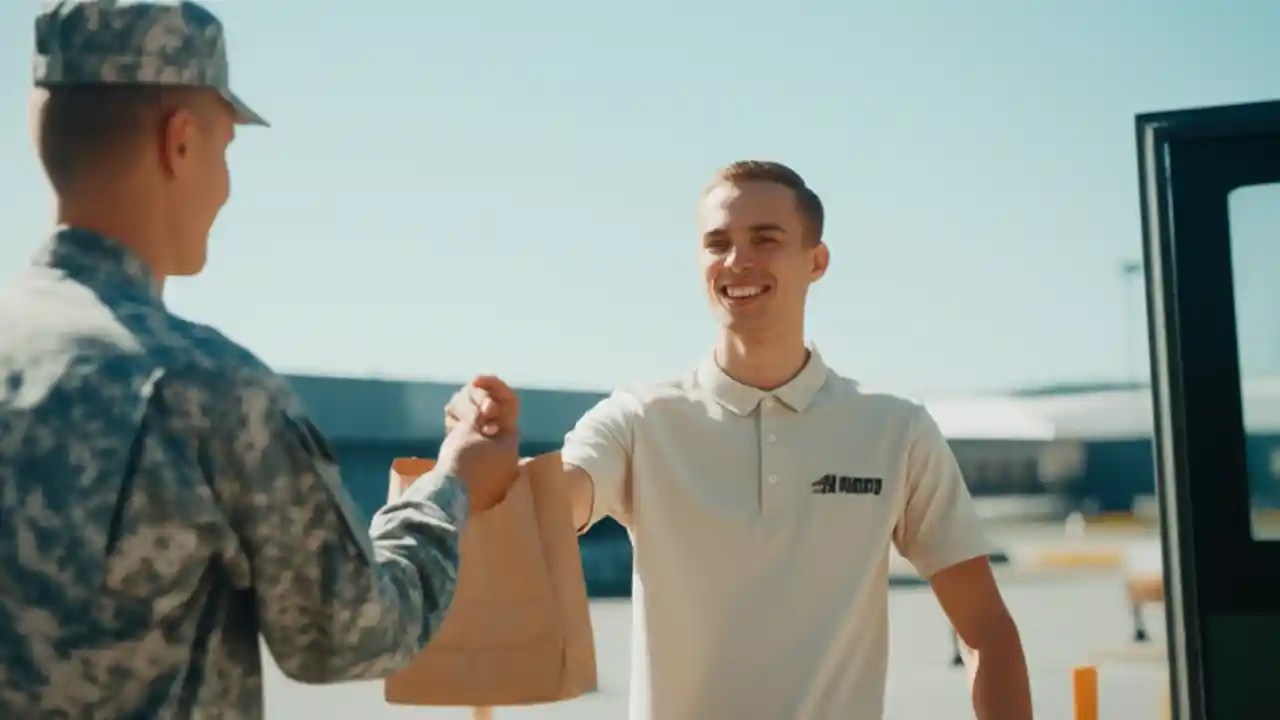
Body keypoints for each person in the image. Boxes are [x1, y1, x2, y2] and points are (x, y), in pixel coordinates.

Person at [0, 2, 520, 718]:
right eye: (224, 152)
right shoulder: (206, 393)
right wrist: (452, 485)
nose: (225, 186)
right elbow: (348, 633)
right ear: (179, 143)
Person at [448, 161, 1033, 719]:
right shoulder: (640, 417)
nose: (737, 261)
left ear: (818, 260)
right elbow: (555, 499)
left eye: (765, 238)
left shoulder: (896, 429)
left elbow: (985, 629)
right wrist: (486, 458)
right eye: (717, 242)